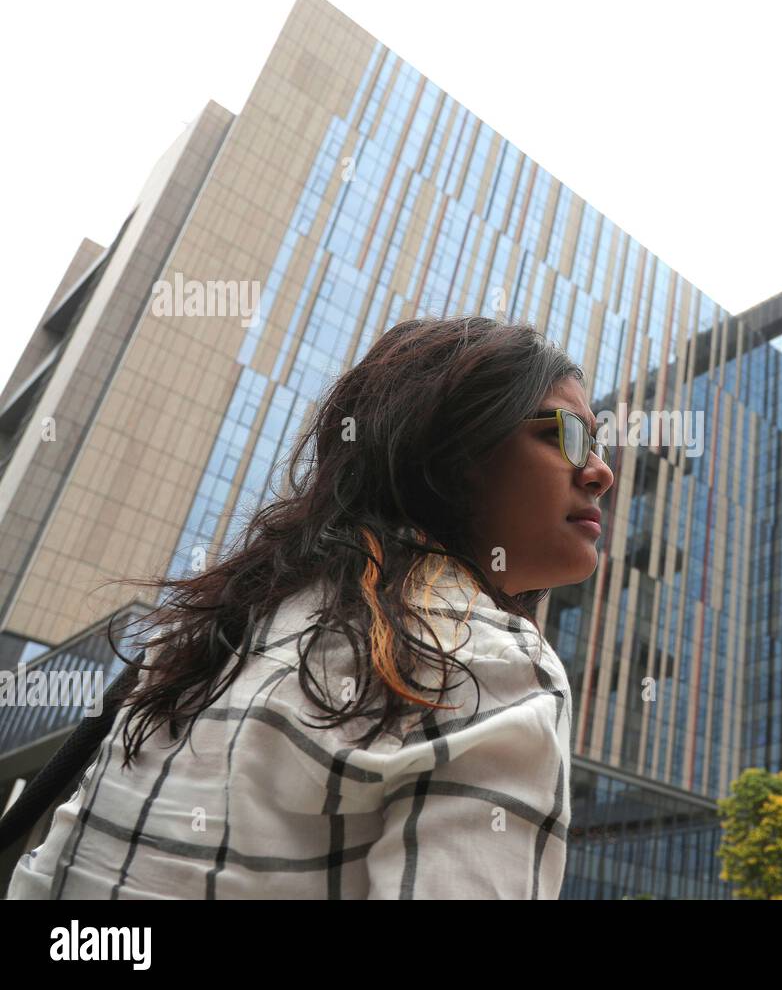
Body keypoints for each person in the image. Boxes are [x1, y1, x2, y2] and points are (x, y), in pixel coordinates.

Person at [5, 316, 614, 899]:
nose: (602, 472)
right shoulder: (493, 663)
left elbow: (45, 876)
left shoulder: (207, 630)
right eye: (568, 434)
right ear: (454, 452)